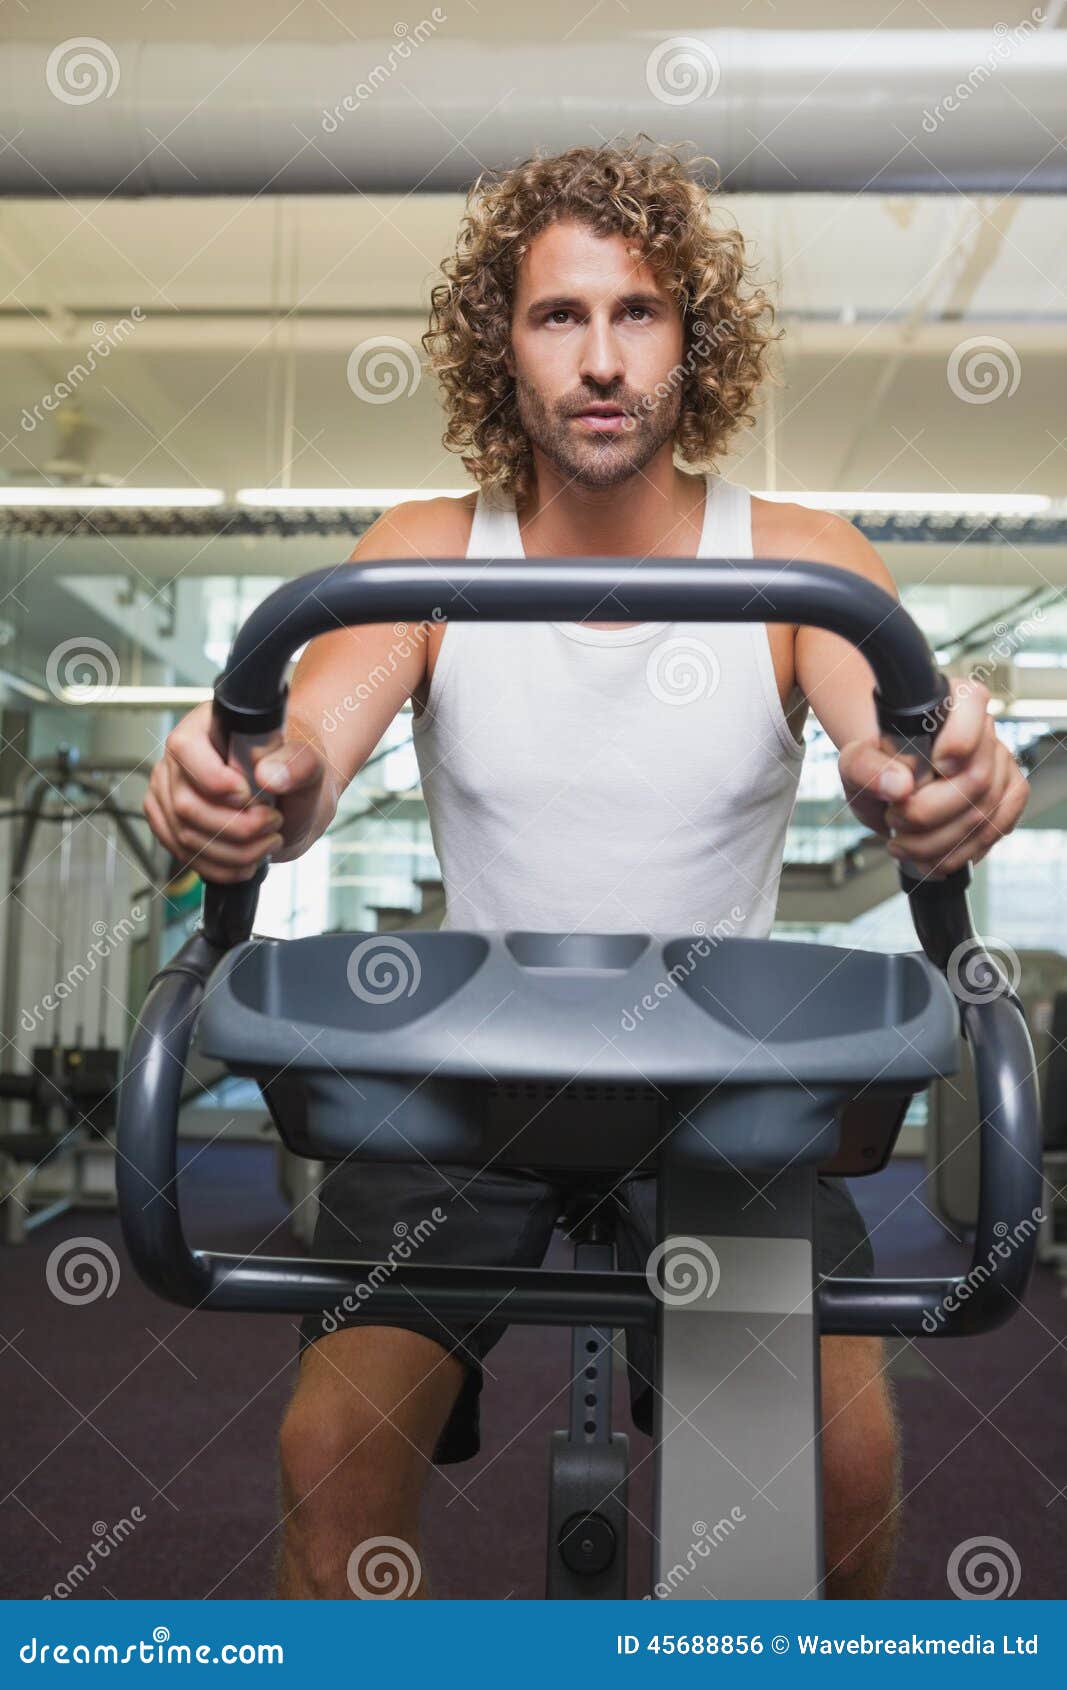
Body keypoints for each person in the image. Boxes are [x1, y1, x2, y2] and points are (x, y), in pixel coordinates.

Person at [143, 141, 1029, 1600]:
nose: (603, 358)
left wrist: (930, 779)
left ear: (696, 340)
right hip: (463, 1090)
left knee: (838, 1470)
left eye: (642, 312)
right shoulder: (426, 556)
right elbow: (304, 744)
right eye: (561, 316)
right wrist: (252, 781)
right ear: (507, 346)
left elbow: (898, 740)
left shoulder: (797, 562)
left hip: (731, 1090)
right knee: (330, 1452)